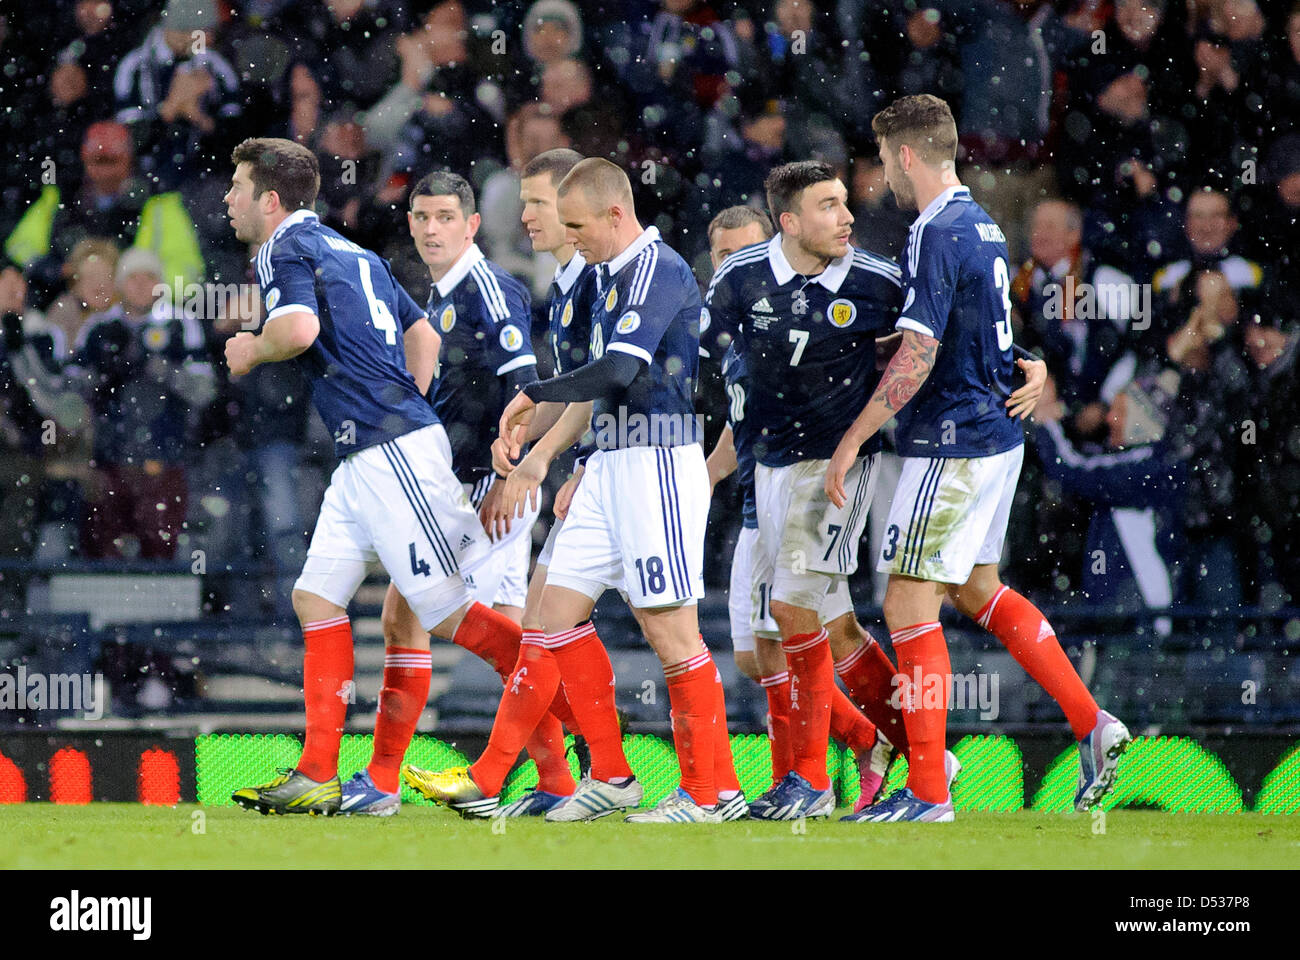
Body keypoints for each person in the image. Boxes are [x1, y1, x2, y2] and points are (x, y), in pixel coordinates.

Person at [408, 158, 743, 822]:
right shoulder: (600, 277)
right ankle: (605, 776)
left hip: (656, 462)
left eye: (577, 224)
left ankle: (714, 793)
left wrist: (534, 394)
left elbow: (619, 369)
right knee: (548, 619)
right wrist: (548, 450)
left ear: (616, 214)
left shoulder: (659, 269)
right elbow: (598, 383)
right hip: (608, 465)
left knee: (668, 630)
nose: (570, 235)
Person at [824, 95, 1127, 824]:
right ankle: (1092, 723)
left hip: (951, 442)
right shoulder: (983, 223)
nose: (883, 179)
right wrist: (1030, 363)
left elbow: (924, 349)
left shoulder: (932, 229)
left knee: (905, 604)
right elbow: (974, 328)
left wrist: (856, 434)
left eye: (882, 161)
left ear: (904, 155)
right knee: (976, 588)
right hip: (995, 436)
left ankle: (929, 787)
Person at [220, 138, 516, 816]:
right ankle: (320, 773)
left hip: (390, 451)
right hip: (368, 454)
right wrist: (398, 407)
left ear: (270, 200)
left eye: (238, 187)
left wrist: (250, 349)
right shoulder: (351, 250)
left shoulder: (281, 249)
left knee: (449, 614)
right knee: (316, 596)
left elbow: (294, 330)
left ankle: (577, 738)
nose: (229, 200)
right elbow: (424, 339)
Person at [703, 161, 950, 820]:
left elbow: (939, 332)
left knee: (791, 611)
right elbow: (709, 364)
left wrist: (1021, 365)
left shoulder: (876, 281)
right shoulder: (739, 277)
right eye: (827, 206)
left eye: (845, 203)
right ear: (789, 222)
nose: (845, 217)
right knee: (827, 624)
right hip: (772, 468)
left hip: (841, 465)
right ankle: (919, 753)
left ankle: (809, 781)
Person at [345, 169, 580, 816]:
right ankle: (557, 776)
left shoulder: (489, 288)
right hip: (455, 486)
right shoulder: (443, 295)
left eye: (445, 217)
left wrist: (511, 477)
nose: (430, 229)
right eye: (421, 217)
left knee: (497, 635)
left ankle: (578, 757)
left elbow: (529, 386)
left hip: (486, 488)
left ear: (472, 224)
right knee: (408, 617)